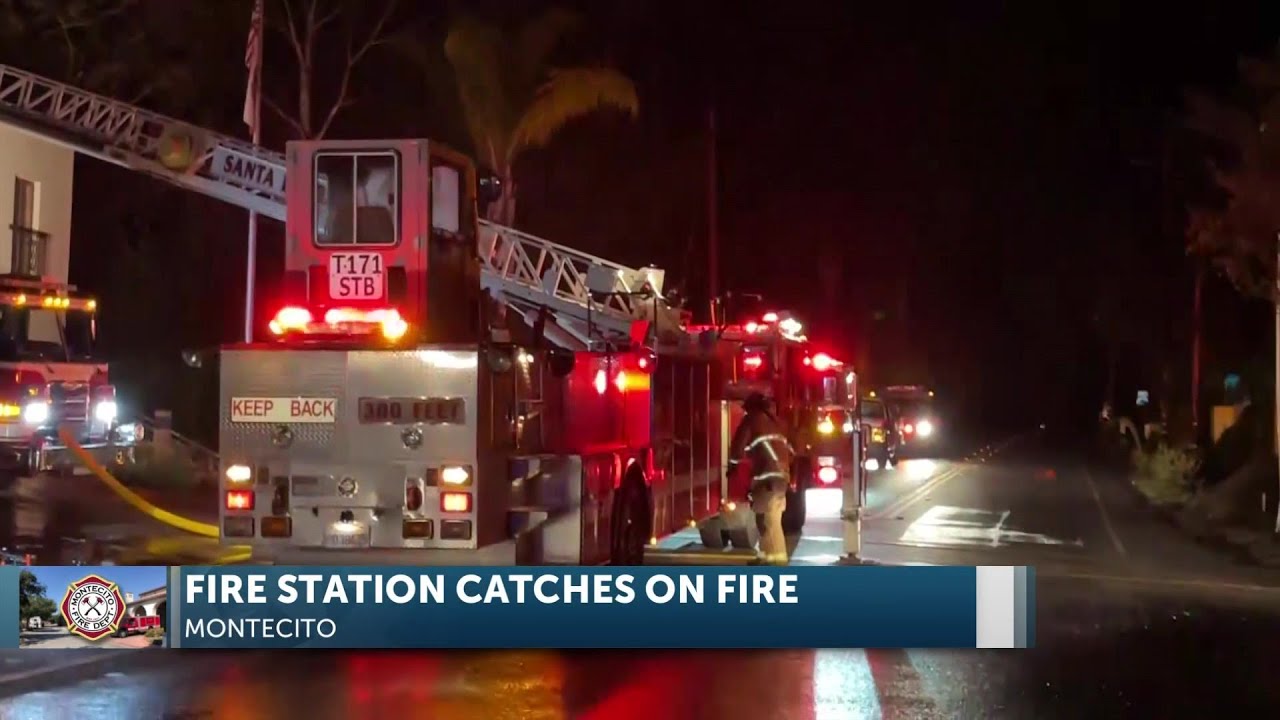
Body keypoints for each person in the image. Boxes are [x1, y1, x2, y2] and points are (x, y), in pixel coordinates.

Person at [727, 393, 794, 565]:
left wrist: (732, 465)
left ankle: (777, 563)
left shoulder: (751, 420)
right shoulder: (777, 423)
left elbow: (737, 446)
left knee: (768, 521)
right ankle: (764, 556)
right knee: (767, 520)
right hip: (781, 479)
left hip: (766, 479)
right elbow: (792, 451)